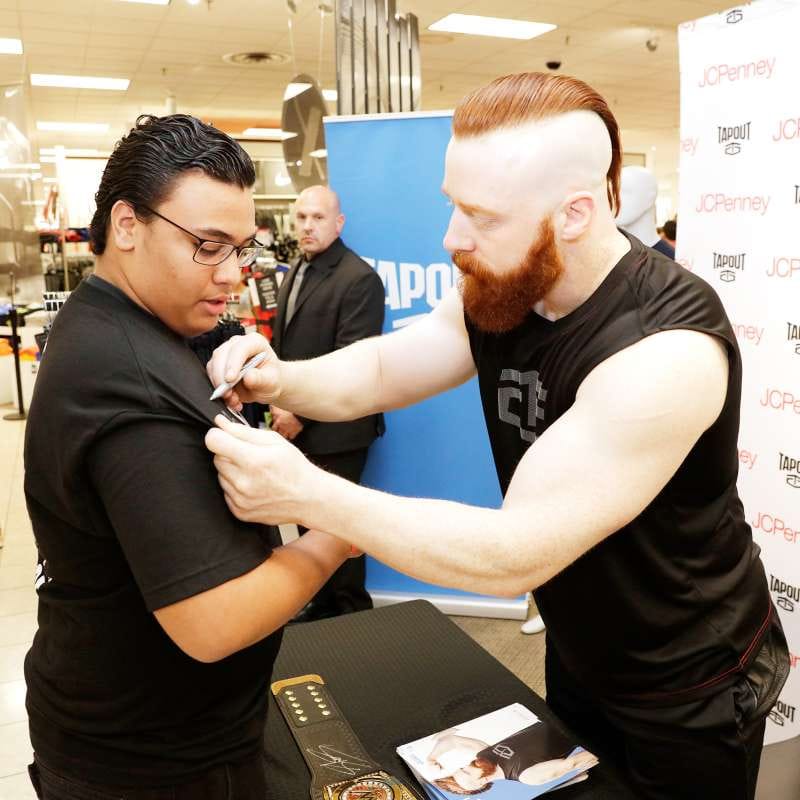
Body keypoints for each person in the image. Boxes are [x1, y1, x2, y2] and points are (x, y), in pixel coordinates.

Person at [205, 72, 789, 800]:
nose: (453, 238)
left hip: (688, 676)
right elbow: (389, 364)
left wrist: (307, 493)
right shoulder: (508, 280)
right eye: (454, 206)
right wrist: (281, 378)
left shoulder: (664, 349)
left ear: (575, 212)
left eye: (481, 216)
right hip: (582, 645)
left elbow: (515, 551)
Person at [23, 114, 353, 800]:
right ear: (128, 225)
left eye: (241, 248)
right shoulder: (127, 379)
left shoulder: (133, 321)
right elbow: (213, 622)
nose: (233, 274)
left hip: (154, 722)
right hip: (154, 759)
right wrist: (337, 531)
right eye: (208, 246)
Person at [271, 184, 385, 621]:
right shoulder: (296, 270)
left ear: (338, 223)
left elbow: (350, 358)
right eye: (301, 218)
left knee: (340, 529)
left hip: (338, 430)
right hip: (297, 427)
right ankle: (323, 608)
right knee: (309, 526)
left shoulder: (359, 279)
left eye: (317, 218)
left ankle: (352, 616)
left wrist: (297, 410)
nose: (307, 226)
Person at [426, 728, 597, 795]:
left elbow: (452, 741)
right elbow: (574, 763)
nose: (467, 764)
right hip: (580, 728)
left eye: (461, 767)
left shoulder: (485, 753)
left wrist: (431, 758)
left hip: (555, 712)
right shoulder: (527, 776)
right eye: (466, 770)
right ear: (481, 782)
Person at [617, 164, 675, 259]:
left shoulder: (669, 260)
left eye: (625, 192)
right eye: (614, 192)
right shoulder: (612, 254)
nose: (615, 199)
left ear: (650, 197)